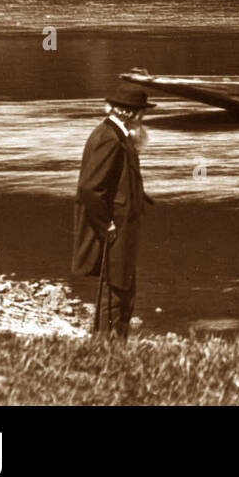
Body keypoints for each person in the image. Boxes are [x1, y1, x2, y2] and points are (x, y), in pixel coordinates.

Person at [72, 81, 154, 339]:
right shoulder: (108, 138)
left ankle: (112, 344)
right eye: (142, 113)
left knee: (122, 284)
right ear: (130, 114)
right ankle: (107, 346)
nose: (142, 118)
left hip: (118, 224)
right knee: (117, 286)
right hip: (114, 226)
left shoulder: (115, 135)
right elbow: (89, 188)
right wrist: (105, 224)